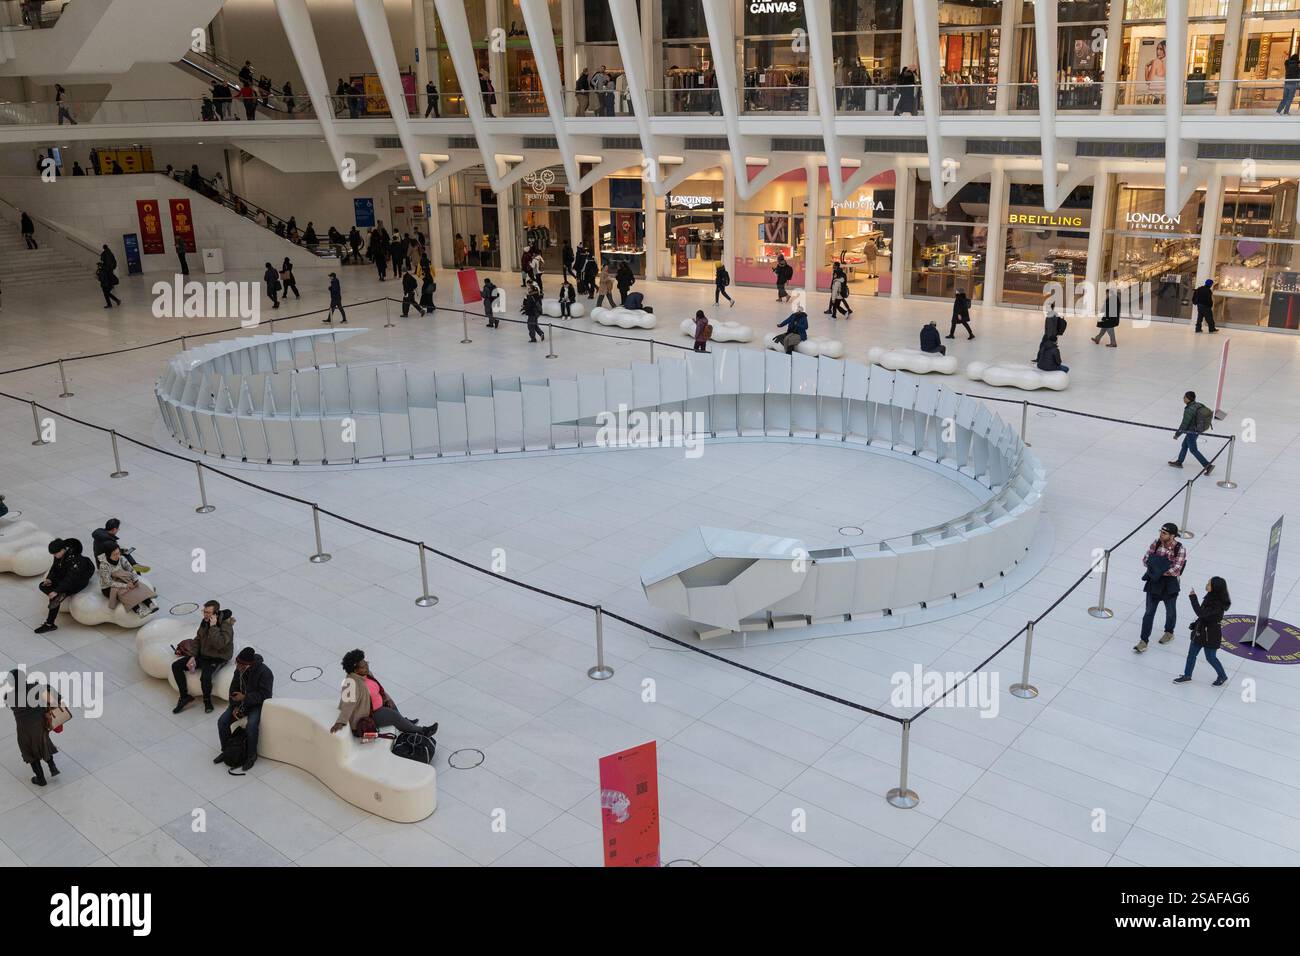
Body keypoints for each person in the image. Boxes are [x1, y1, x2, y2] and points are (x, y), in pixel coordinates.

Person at [330, 649, 438, 738]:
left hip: (380, 705)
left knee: (392, 704)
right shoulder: (351, 683)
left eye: (366, 663)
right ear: (355, 669)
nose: (367, 666)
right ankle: (423, 731)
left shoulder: (367, 674)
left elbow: (378, 689)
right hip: (370, 714)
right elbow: (347, 704)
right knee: (394, 716)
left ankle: (406, 723)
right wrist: (341, 722)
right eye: (363, 666)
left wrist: (387, 699)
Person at [215, 647, 273, 772]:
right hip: (240, 703)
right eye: (237, 663)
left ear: (249, 664)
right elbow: (233, 689)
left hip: (256, 705)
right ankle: (226, 750)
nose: (237, 666)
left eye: (240, 664)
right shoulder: (239, 670)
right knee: (222, 722)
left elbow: (265, 695)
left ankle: (251, 756)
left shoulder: (265, 672)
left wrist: (245, 698)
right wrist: (235, 706)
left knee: (251, 726)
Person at [172, 600, 234, 714]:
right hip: (203, 654)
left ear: (215, 613)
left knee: (205, 677)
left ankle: (207, 700)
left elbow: (219, 644)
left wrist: (213, 627)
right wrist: (192, 656)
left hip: (217, 657)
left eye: (208, 612)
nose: (205, 615)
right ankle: (184, 696)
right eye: (204, 612)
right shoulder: (205, 621)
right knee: (176, 666)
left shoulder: (226, 625)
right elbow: (198, 640)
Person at [1134, 522, 1186, 653]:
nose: (1161, 534)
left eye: (1164, 533)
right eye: (1161, 532)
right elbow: (1145, 559)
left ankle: (1169, 632)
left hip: (1170, 584)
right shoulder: (1156, 543)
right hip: (1154, 583)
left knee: (1170, 611)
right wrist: (1161, 566)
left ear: (1173, 535)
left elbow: (1176, 570)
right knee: (1148, 613)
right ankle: (1143, 641)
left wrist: (1157, 567)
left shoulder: (1180, 548)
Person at [1173, 577, 1231, 685]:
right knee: (1191, 654)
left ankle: (1222, 676)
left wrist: (1193, 598)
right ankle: (1187, 675)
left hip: (1211, 635)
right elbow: (1203, 616)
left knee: (1210, 657)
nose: (1207, 584)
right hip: (1200, 631)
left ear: (1215, 588)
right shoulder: (1210, 596)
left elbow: (1201, 613)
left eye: (1209, 584)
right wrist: (1196, 624)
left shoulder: (1218, 604)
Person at [7, 669, 61, 787]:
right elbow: (55, 698)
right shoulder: (37, 688)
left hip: (24, 730)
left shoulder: (8, 697)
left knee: (29, 751)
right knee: (44, 743)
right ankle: (52, 767)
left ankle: (41, 778)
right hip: (40, 725)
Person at [35, 538, 94, 634]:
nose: (54, 556)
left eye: (55, 554)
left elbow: (70, 579)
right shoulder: (59, 554)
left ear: (62, 550)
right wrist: (49, 579)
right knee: (42, 586)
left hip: (78, 580)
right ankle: (60, 595)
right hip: (65, 575)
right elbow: (54, 567)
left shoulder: (76, 560)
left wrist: (56, 591)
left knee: (54, 598)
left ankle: (50, 624)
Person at [97, 545, 157, 618]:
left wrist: (135, 579)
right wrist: (126, 585)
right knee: (125, 592)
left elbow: (131, 569)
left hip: (122, 578)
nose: (117, 556)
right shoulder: (103, 565)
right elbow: (108, 582)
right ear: (108, 555)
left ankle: (150, 603)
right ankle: (138, 610)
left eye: (118, 553)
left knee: (138, 586)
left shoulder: (121, 558)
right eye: (114, 554)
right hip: (109, 587)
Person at [1170, 389, 1214, 473]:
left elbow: (1184, 424)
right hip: (1196, 430)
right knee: (1184, 445)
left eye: (1184, 397)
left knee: (1193, 450)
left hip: (1192, 431)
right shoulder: (1199, 404)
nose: (1183, 398)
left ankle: (1207, 466)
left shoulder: (1189, 410)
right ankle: (1179, 462)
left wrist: (1177, 435)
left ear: (1188, 399)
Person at [1092, 273, 1121, 346]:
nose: (1106, 295)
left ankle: (1113, 343)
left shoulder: (1113, 299)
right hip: (1110, 317)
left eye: (1107, 293)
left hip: (1111, 318)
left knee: (1109, 329)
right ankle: (1097, 338)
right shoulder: (1112, 298)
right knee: (1104, 327)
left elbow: (1110, 309)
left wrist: (1106, 317)